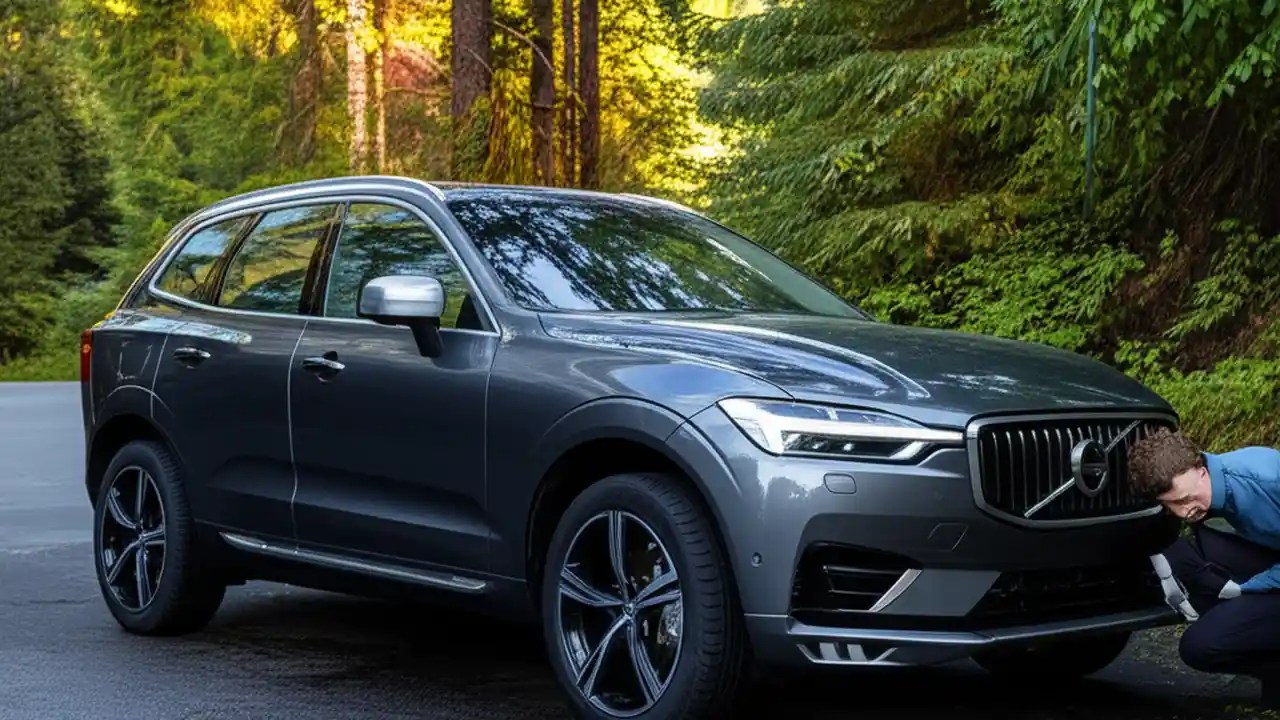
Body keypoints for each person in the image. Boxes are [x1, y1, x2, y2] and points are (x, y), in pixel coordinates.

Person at [1129, 427, 1280, 707]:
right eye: (1172, 504)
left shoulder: (1267, 481)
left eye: (1186, 499)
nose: (1185, 511)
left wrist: (1244, 589)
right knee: (1196, 557)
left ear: (1199, 469)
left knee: (1200, 646)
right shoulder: (1209, 484)